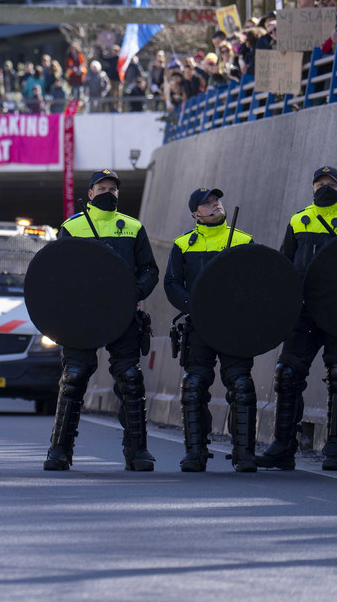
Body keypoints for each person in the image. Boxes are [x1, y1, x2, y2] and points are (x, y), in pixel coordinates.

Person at [257, 166, 337, 471]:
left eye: (331, 183)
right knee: (287, 374)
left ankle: (335, 449)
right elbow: (284, 264)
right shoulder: (298, 220)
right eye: (320, 183)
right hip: (303, 312)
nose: (325, 187)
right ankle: (283, 447)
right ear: (312, 188)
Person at [45, 169, 160, 472]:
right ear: (90, 193)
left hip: (122, 314)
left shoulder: (133, 227)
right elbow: (56, 271)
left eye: (113, 188)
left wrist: (133, 293)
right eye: (102, 188)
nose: (108, 193)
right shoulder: (72, 227)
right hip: (82, 315)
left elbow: (149, 269)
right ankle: (59, 450)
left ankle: (138, 451)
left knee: (130, 378)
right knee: (74, 377)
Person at [164, 188, 258, 473]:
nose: (215, 204)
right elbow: (172, 284)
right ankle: (195, 454)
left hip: (234, 326)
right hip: (199, 325)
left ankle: (244, 454)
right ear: (196, 214)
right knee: (193, 385)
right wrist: (194, 306)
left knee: (241, 385)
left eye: (216, 200)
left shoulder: (243, 240)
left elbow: (259, 280)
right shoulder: (183, 244)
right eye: (207, 203)